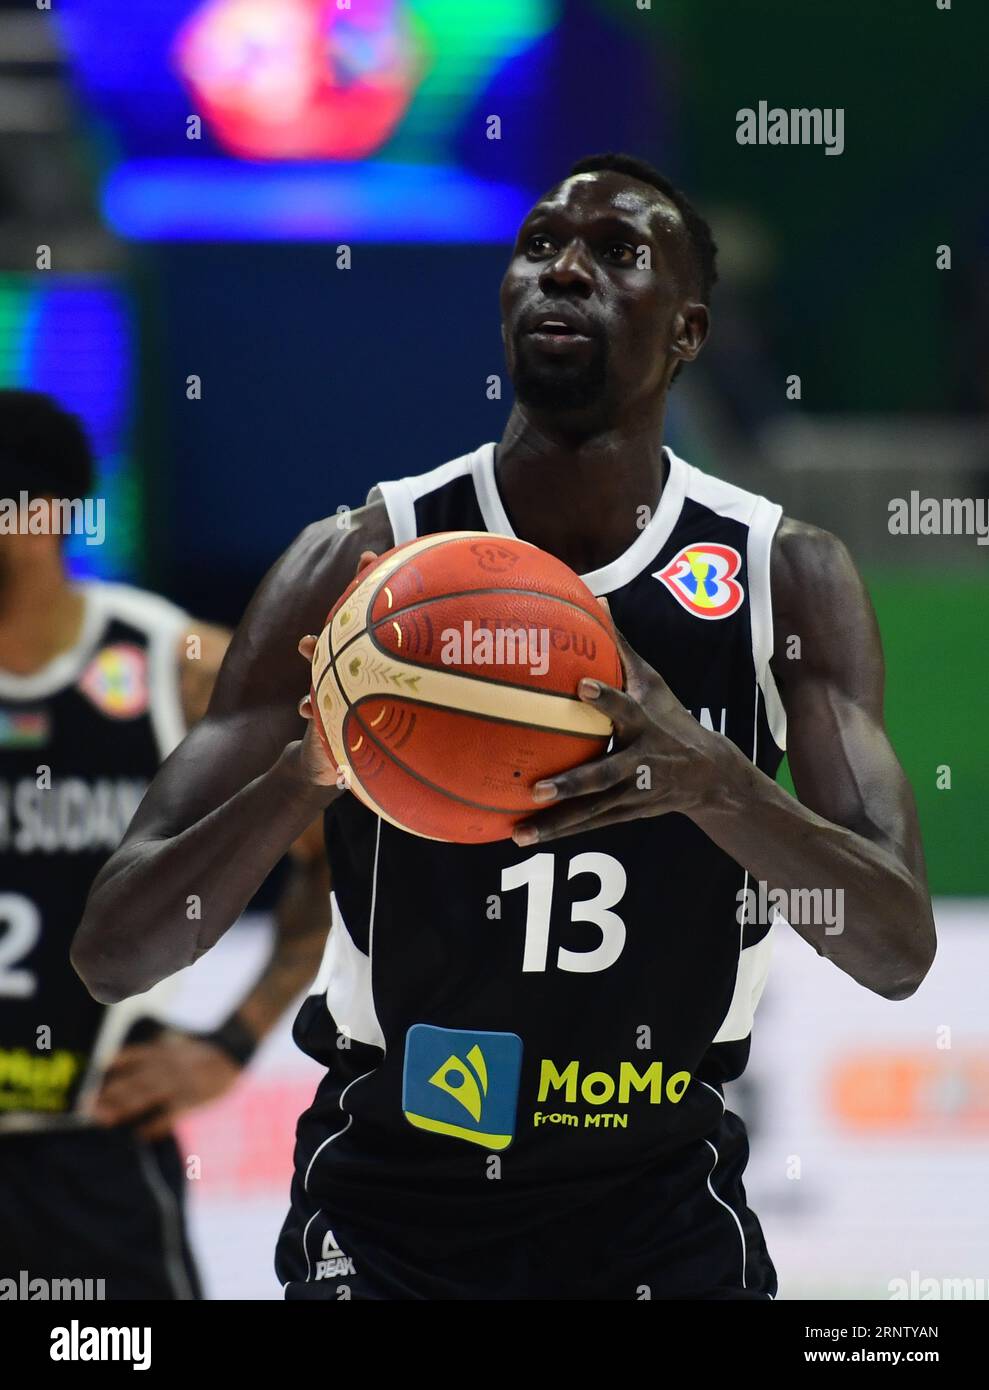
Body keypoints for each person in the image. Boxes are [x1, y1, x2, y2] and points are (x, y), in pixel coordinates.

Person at [74, 153, 936, 1300]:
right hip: (394, 1195)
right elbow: (116, 949)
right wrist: (308, 768)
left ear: (685, 333)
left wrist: (715, 783)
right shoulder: (360, 564)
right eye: (539, 246)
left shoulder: (782, 576)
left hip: (657, 1196)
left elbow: (895, 952)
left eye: (613, 252)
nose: (562, 270)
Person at [0, 389, 330, 1299]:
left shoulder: (171, 667)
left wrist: (231, 1041)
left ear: (43, 518)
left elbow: (333, 866)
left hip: (95, 1161)